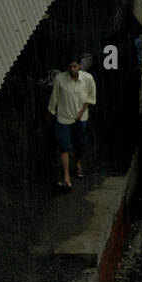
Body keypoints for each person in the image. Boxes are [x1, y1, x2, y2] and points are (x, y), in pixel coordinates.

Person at [49, 55, 97, 191]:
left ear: (79, 66)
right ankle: (66, 177)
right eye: (70, 67)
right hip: (64, 117)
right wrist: (51, 112)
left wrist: (82, 111)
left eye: (74, 66)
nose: (72, 69)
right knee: (64, 146)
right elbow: (55, 98)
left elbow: (90, 96)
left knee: (80, 142)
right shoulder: (60, 79)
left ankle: (78, 163)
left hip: (80, 118)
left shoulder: (87, 79)